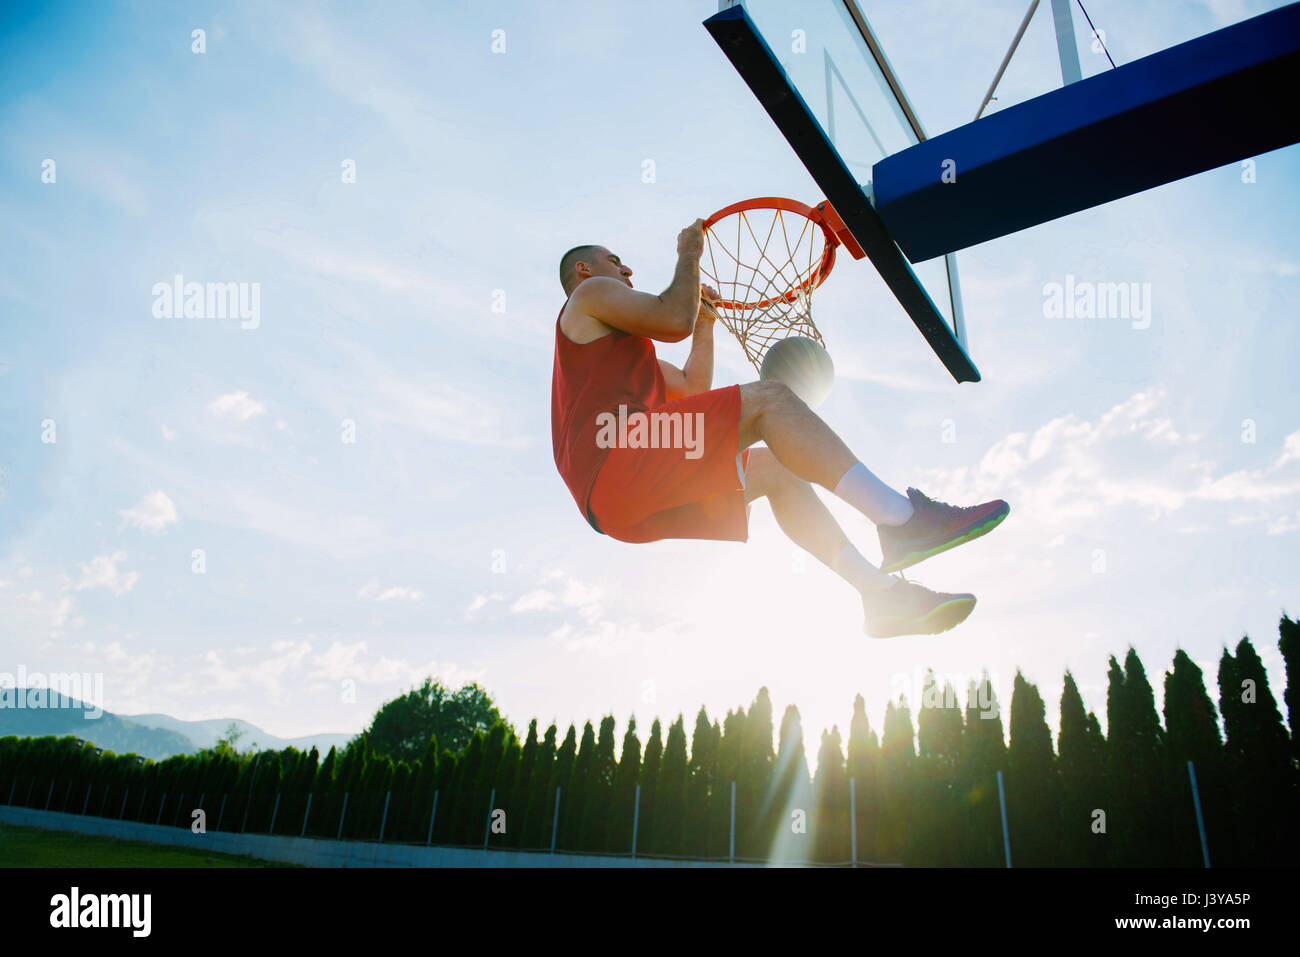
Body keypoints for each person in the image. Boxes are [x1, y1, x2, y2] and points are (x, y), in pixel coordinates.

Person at [550, 219, 1009, 638]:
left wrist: (705, 323)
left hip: (619, 504)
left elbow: (692, 387)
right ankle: (904, 520)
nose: (627, 269)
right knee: (769, 399)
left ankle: (880, 595)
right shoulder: (585, 297)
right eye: (614, 260)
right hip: (616, 460)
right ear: (585, 271)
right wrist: (689, 254)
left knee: (775, 471)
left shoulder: (630, 355)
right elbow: (671, 318)